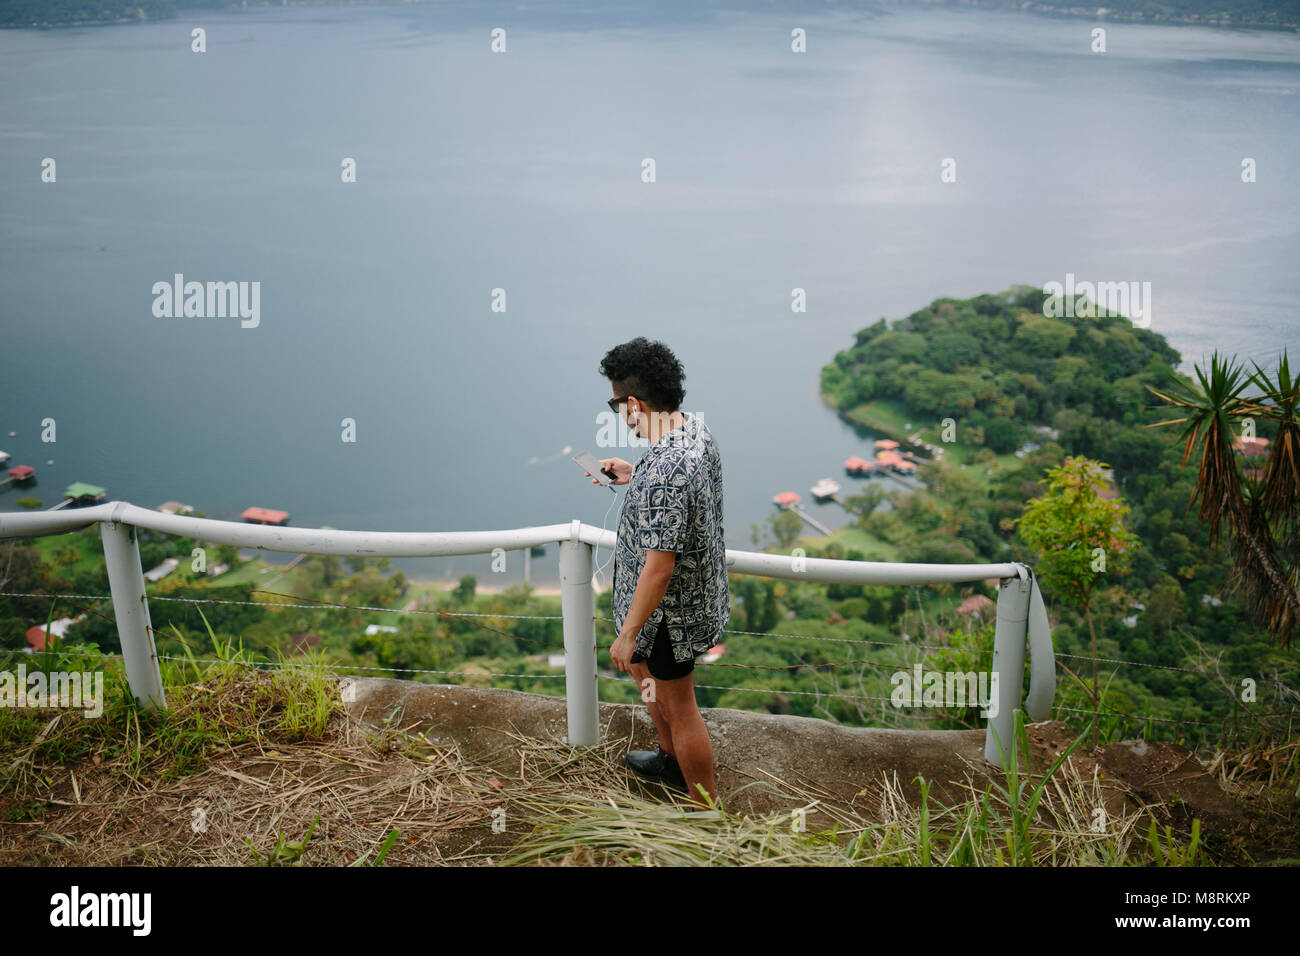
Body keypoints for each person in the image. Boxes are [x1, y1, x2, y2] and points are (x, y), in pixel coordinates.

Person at [587, 337, 729, 808]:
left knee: (681, 708)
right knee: (656, 690)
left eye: (615, 404)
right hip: (688, 602)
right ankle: (670, 762)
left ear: (633, 403)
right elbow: (677, 498)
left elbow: (659, 567)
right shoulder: (692, 433)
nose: (618, 414)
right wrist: (637, 474)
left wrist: (628, 634)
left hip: (669, 616)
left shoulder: (668, 468)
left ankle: (704, 812)